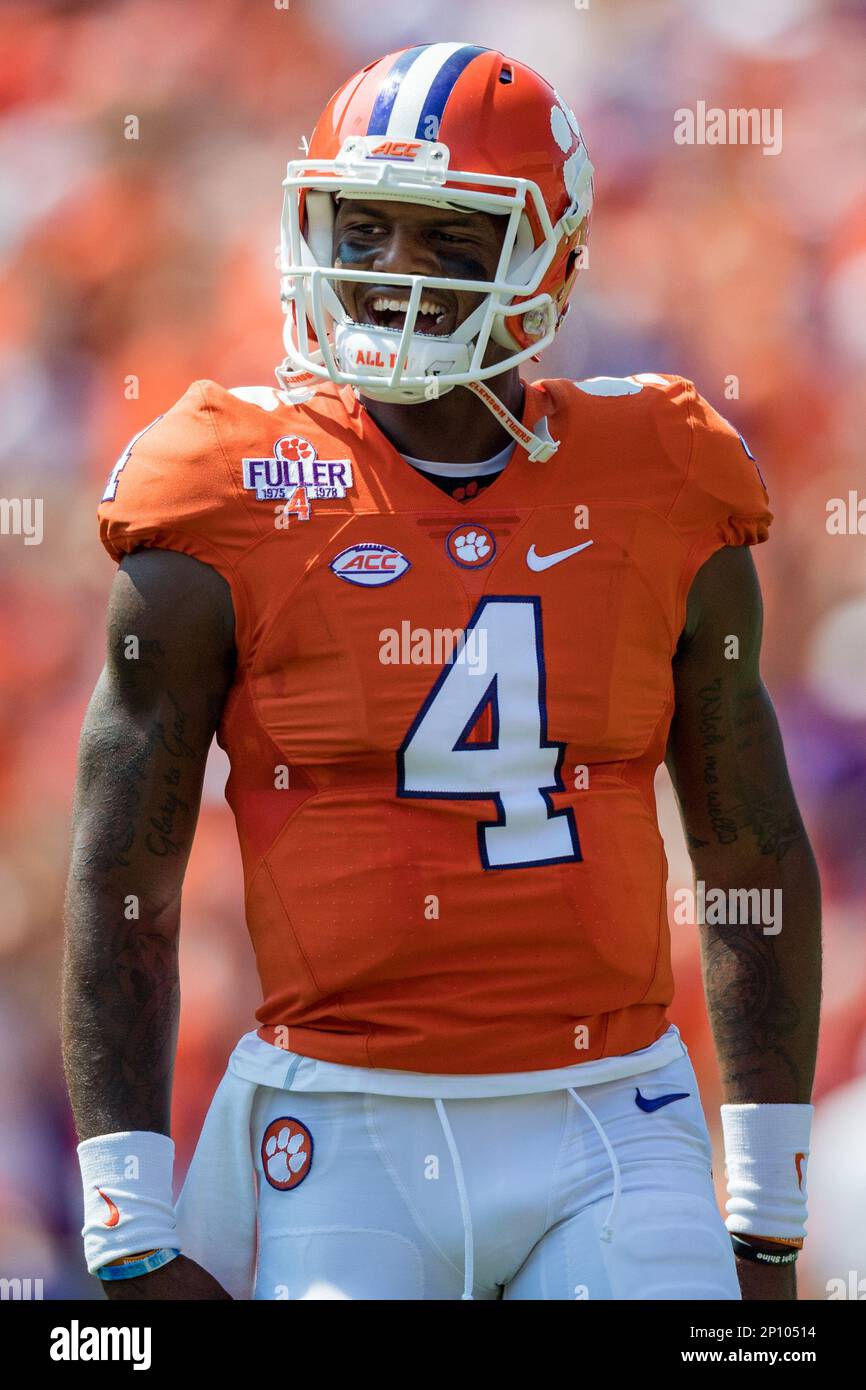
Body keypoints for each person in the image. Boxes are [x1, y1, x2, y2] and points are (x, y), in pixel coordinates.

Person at [62, 42, 821, 1301]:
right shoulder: (222, 486)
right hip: (339, 1119)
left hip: (610, 1116)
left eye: (449, 241)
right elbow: (118, 871)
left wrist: (766, 1208)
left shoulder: (662, 473)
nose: (395, 277)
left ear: (549, 263)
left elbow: (749, 850)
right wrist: (125, 1222)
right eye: (365, 231)